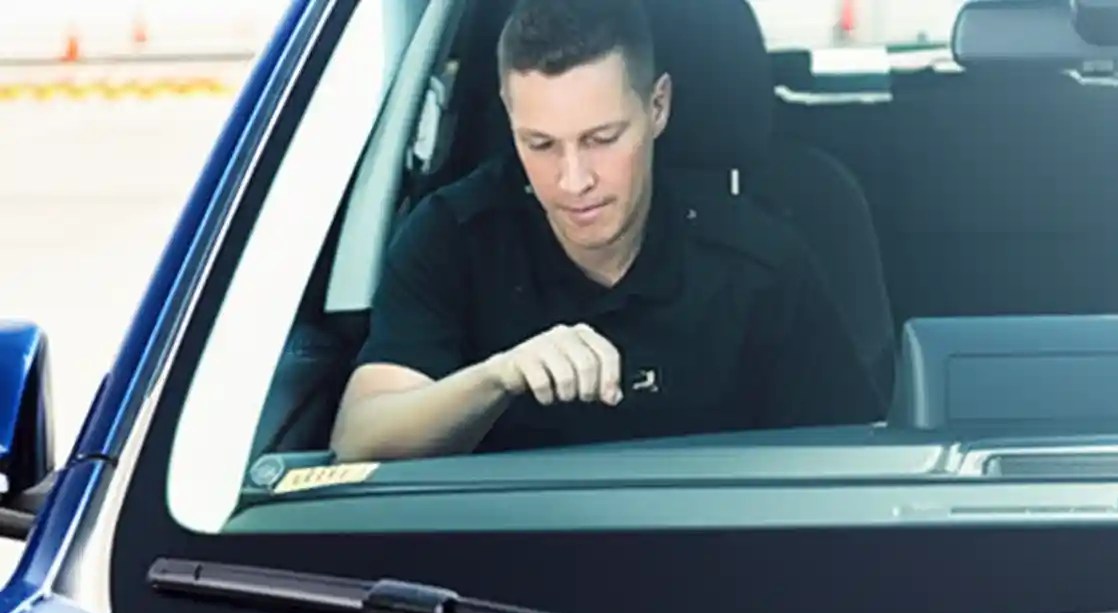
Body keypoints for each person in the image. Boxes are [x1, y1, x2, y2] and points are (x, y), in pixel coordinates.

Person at [329, 0, 881, 462]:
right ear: (508, 116)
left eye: (601, 139)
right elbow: (358, 439)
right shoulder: (454, 236)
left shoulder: (758, 263)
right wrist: (497, 379)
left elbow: (847, 469)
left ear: (657, 106)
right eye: (540, 144)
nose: (573, 180)